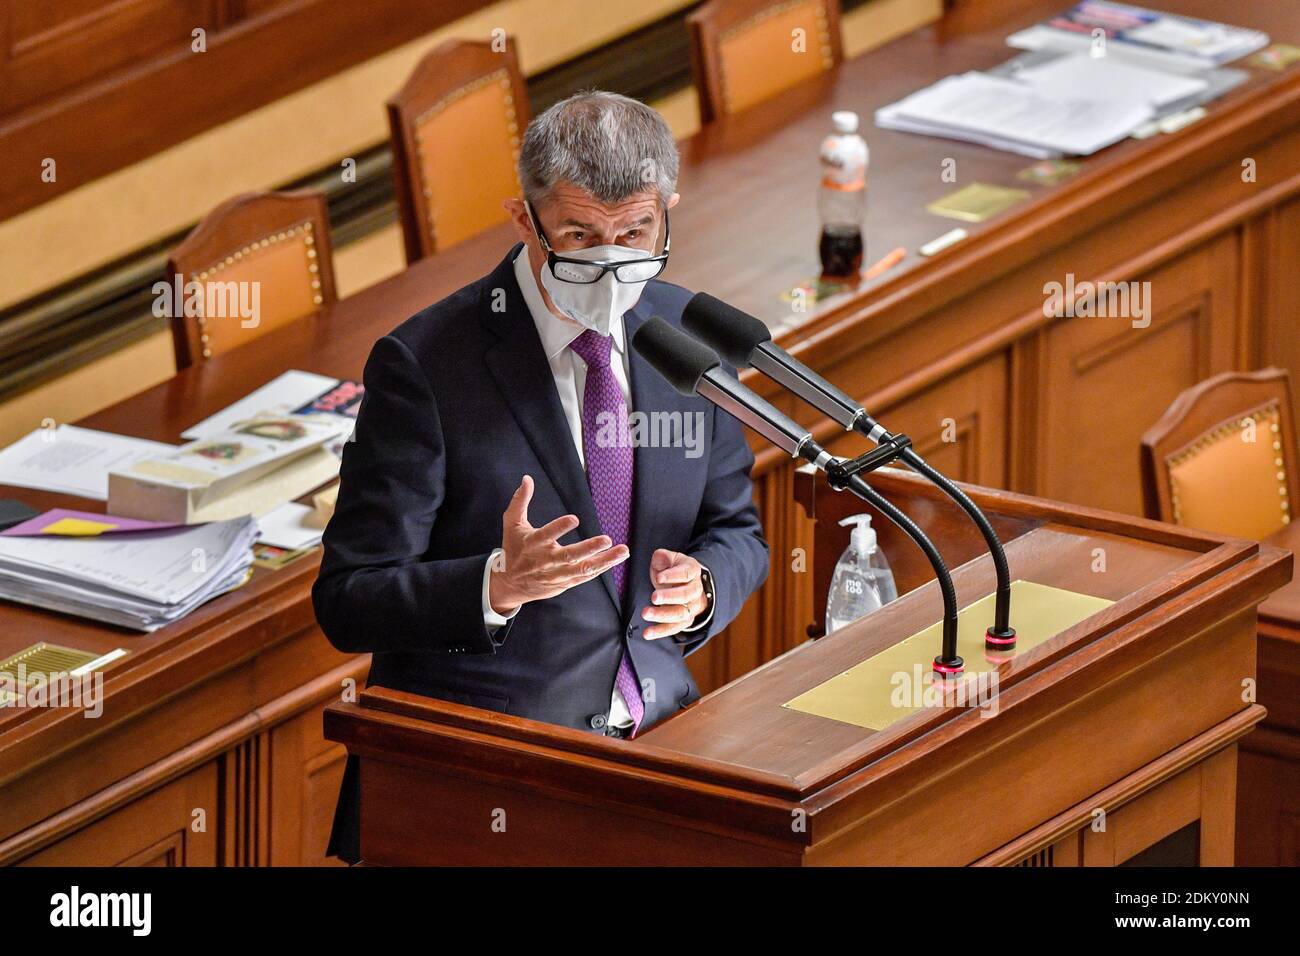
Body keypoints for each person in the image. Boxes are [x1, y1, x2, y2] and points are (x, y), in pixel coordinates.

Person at [312, 90, 769, 862]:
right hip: (482, 786)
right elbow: (348, 599)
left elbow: (737, 529)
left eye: (636, 232)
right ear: (524, 219)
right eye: (580, 236)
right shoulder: (426, 366)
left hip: (658, 756)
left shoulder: (691, 339)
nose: (612, 260)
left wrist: (705, 585)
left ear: (668, 211)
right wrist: (495, 585)